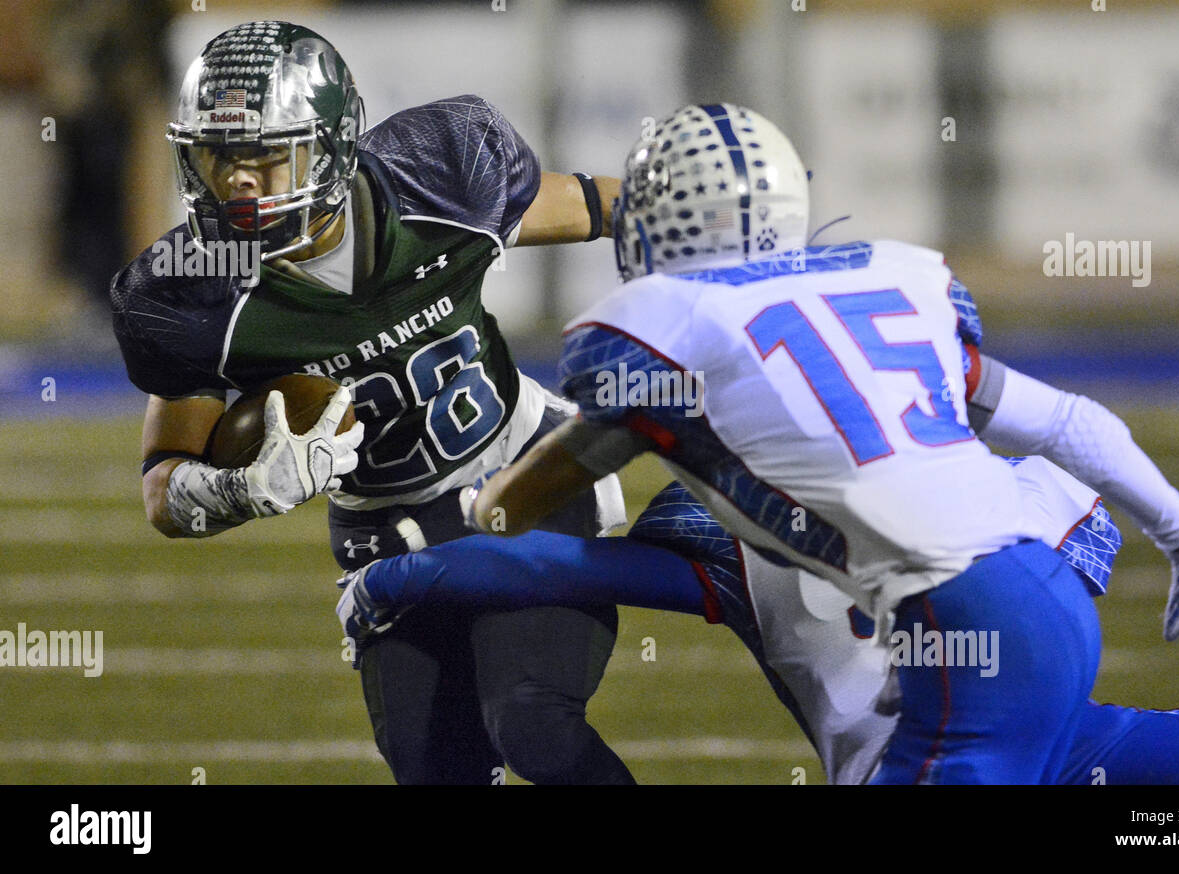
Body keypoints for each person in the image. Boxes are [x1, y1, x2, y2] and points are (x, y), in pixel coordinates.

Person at [457, 103, 1107, 783]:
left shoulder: (687, 480)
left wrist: (417, 564)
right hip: (1025, 723)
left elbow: (558, 549)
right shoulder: (1005, 480)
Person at [110, 20, 634, 784]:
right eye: (218, 159)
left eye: (264, 155)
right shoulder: (187, 292)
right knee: (434, 768)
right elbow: (164, 481)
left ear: (329, 146)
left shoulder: (437, 176)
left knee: (531, 722)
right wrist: (237, 490)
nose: (239, 184)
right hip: (386, 536)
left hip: (528, 479)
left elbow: (591, 204)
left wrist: (714, 224)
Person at [340, 462, 1179, 784]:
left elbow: (550, 559)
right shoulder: (744, 527)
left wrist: (395, 580)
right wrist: (400, 577)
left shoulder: (993, 476)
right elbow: (548, 560)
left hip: (1043, 744)